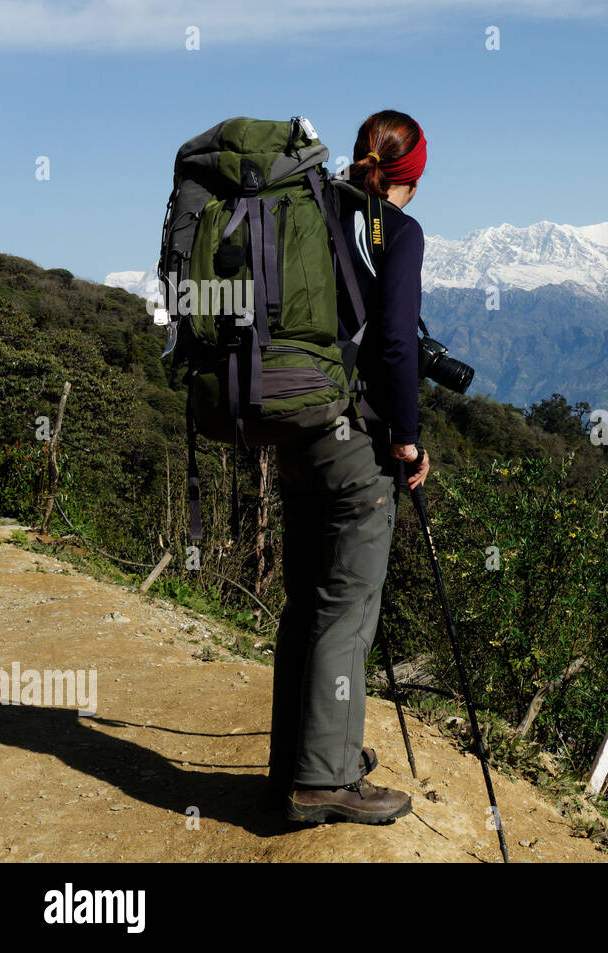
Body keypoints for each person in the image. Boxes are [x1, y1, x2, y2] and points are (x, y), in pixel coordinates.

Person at [266, 110, 431, 824]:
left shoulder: (310, 209)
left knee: (305, 601)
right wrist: (409, 437)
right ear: (411, 174)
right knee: (349, 608)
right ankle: (326, 778)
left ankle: (297, 756)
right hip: (352, 442)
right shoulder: (399, 232)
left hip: (293, 431)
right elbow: (394, 342)